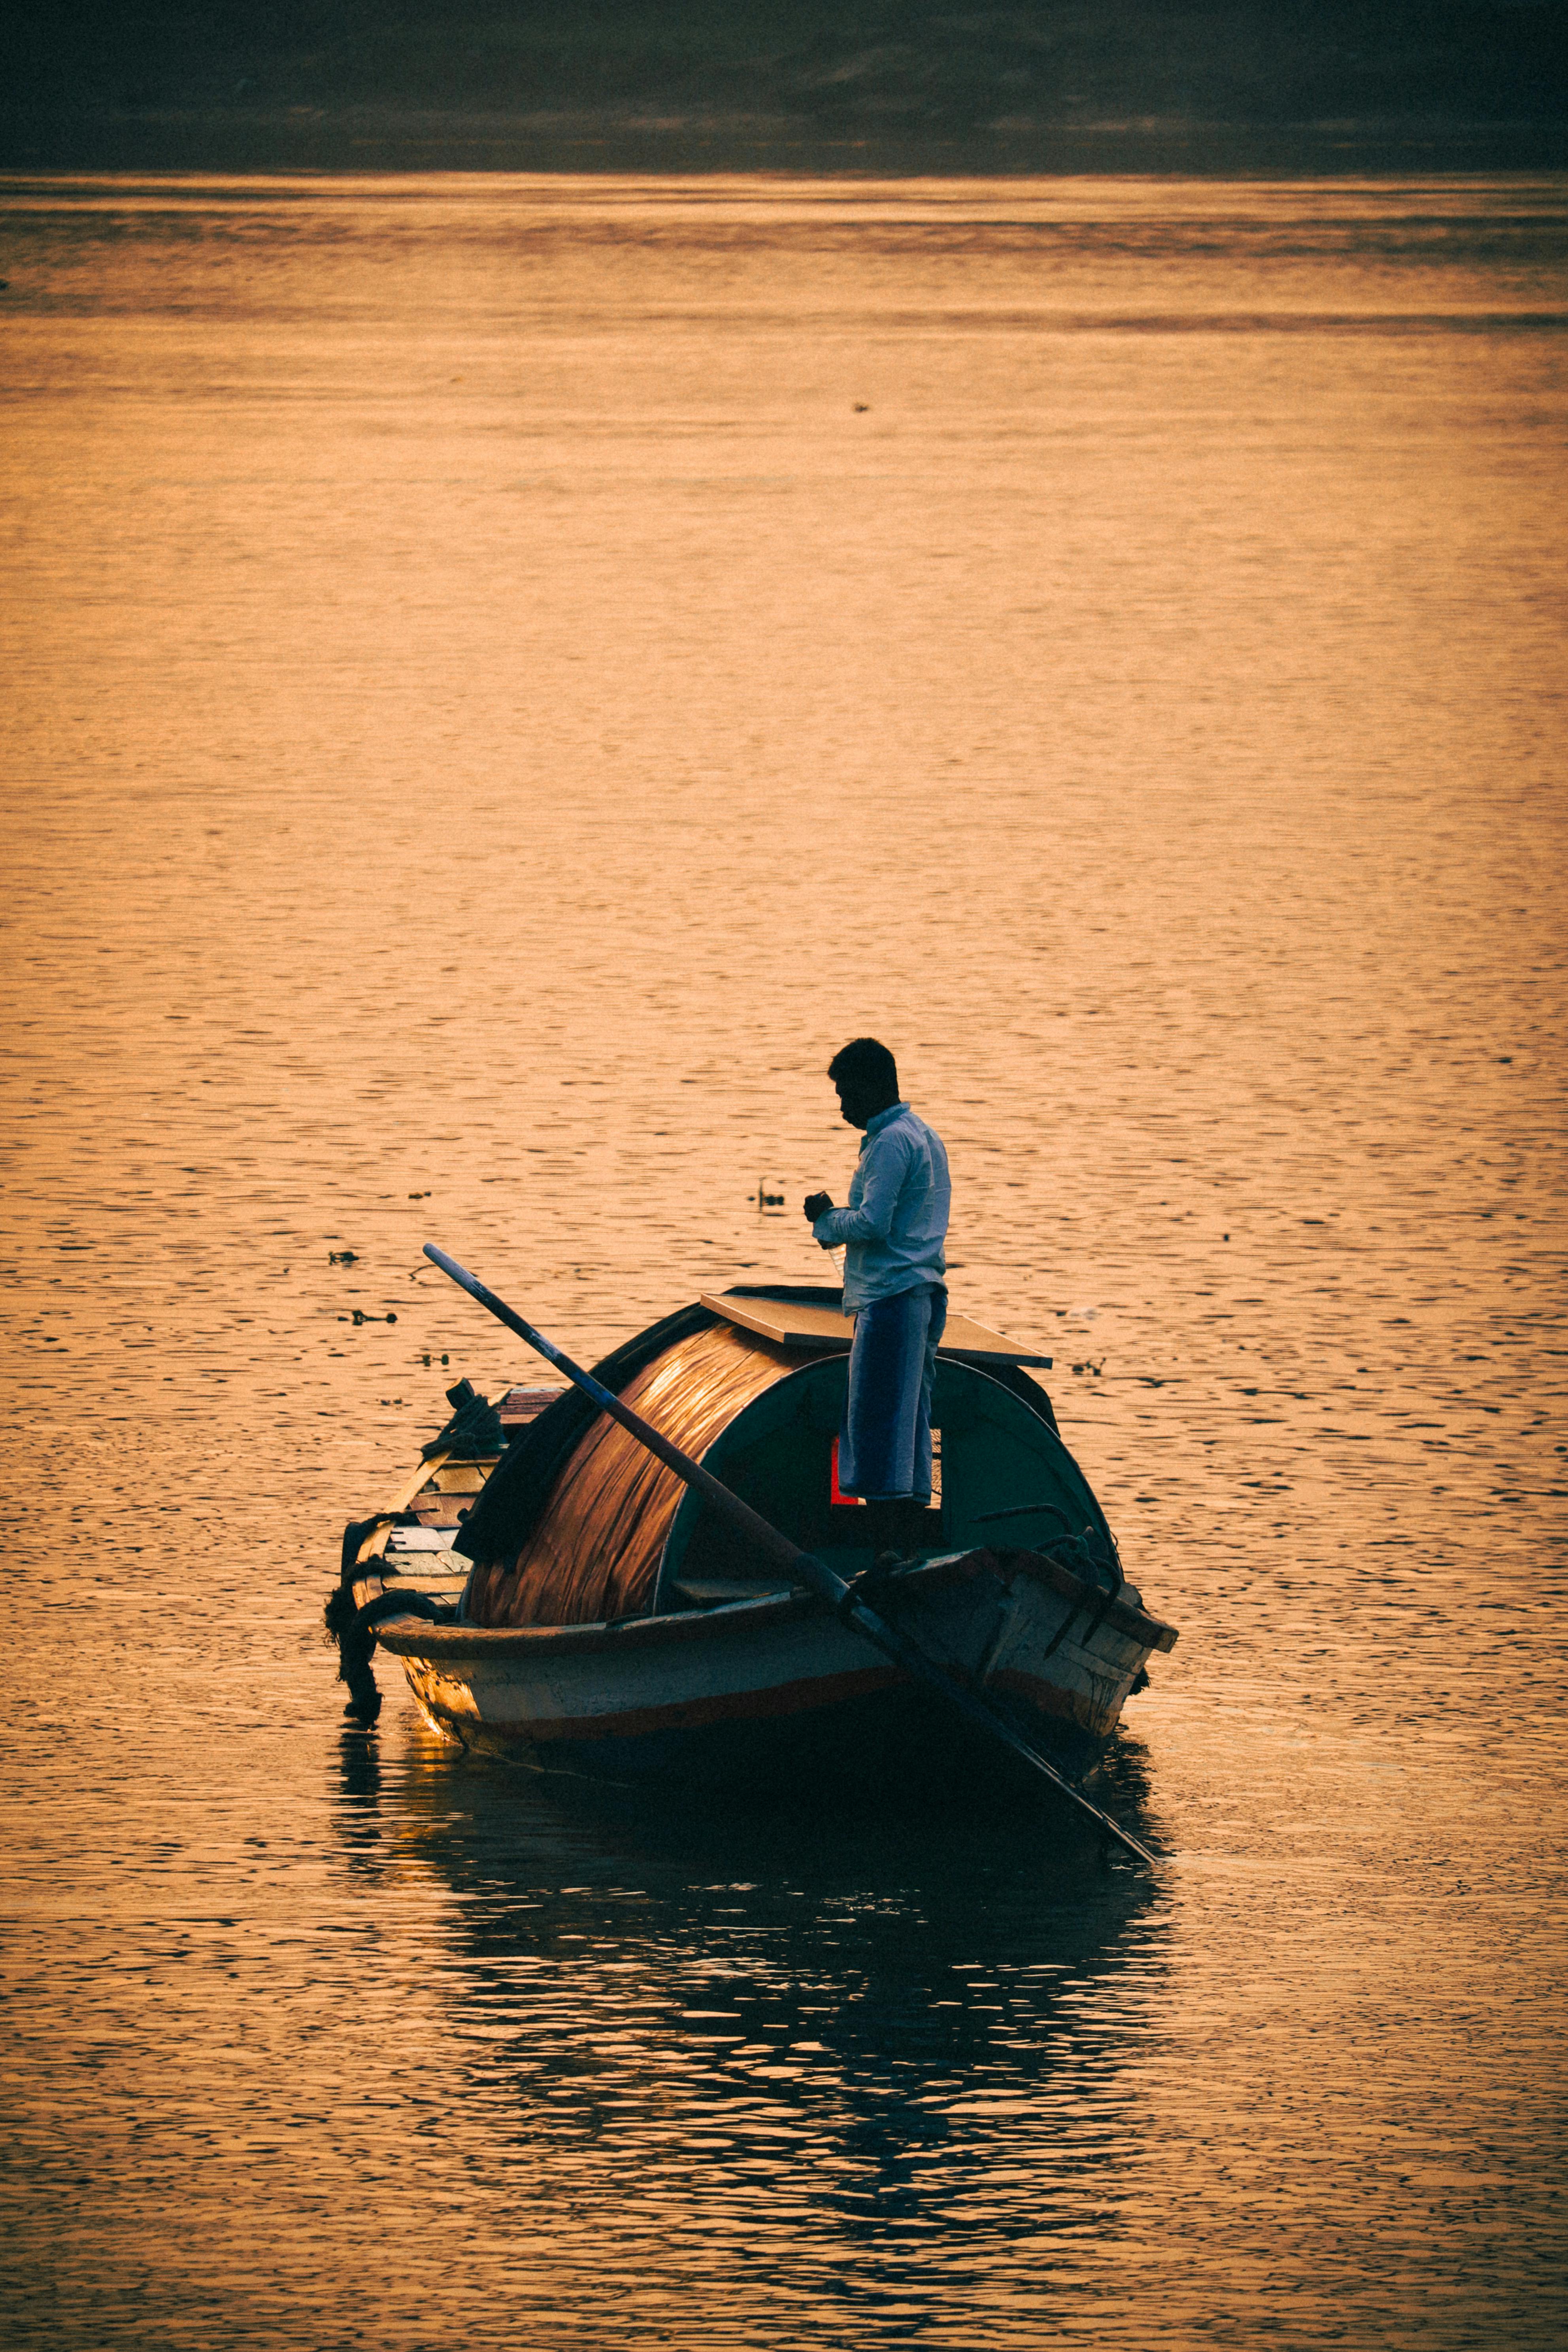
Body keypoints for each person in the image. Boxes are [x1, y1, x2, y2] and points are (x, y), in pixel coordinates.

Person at [804, 1038, 951, 1504]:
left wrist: (827, 1219)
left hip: (890, 1297)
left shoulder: (889, 1142)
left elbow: (873, 1222)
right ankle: (908, 1532)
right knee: (908, 1418)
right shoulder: (923, 1134)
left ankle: (887, 1539)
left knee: (876, 1418)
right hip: (920, 1292)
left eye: (847, 1094)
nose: (843, 1107)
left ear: (873, 1086)